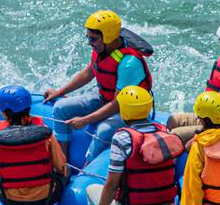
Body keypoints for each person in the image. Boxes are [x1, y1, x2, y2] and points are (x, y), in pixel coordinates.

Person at [43, 9, 155, 164]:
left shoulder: (129, 64)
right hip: (105, 99)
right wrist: (59, 92)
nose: (90, 42)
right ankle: (62, 164)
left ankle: (85, 170)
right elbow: (88, 72)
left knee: (102, 130)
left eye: (93, 39)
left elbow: (117, 104)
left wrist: (86, 120)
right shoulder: (103, 50)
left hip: (129, 112)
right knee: (60, 108)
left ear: (108, 37)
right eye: (88, 37)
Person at [84, 86, 180, 205]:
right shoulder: (164, 131)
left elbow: (111, 184)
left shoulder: (122, 138)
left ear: (124, 110)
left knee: (90, 190)